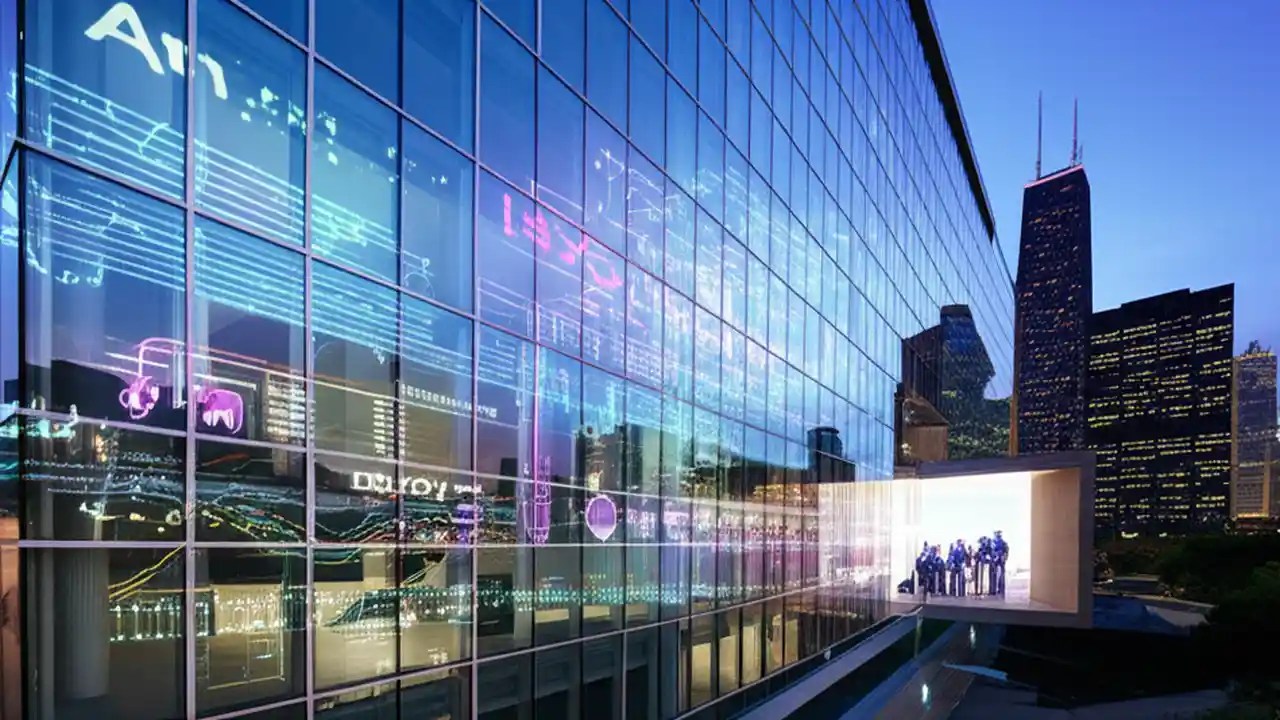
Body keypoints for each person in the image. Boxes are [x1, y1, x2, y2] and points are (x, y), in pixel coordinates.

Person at [992, 530, 1009, 595]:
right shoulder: (992, 542)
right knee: (994, 574)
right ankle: (994, 589)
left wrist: (1004, 557)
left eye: (999, 533)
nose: (998, 535)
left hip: (1001, 559)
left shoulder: (1004, 542)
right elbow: (991, 551)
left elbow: (1006, 551)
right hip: (995, 560)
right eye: (997, 533)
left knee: (1002, 575)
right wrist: (994, 557)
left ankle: (1001, 589)